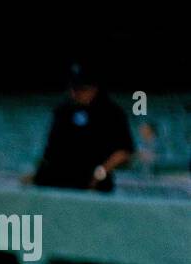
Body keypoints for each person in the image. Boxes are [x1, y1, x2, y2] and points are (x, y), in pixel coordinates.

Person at [30, 61, 133, 192]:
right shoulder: (63, 112)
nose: (75, 94)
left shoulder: (111, 113)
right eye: (72, 89)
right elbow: (50, 152)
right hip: (57, 182)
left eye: (81, 89)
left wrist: (99, 174)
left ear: (94, 88)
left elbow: (123, 152)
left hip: (92, 183)